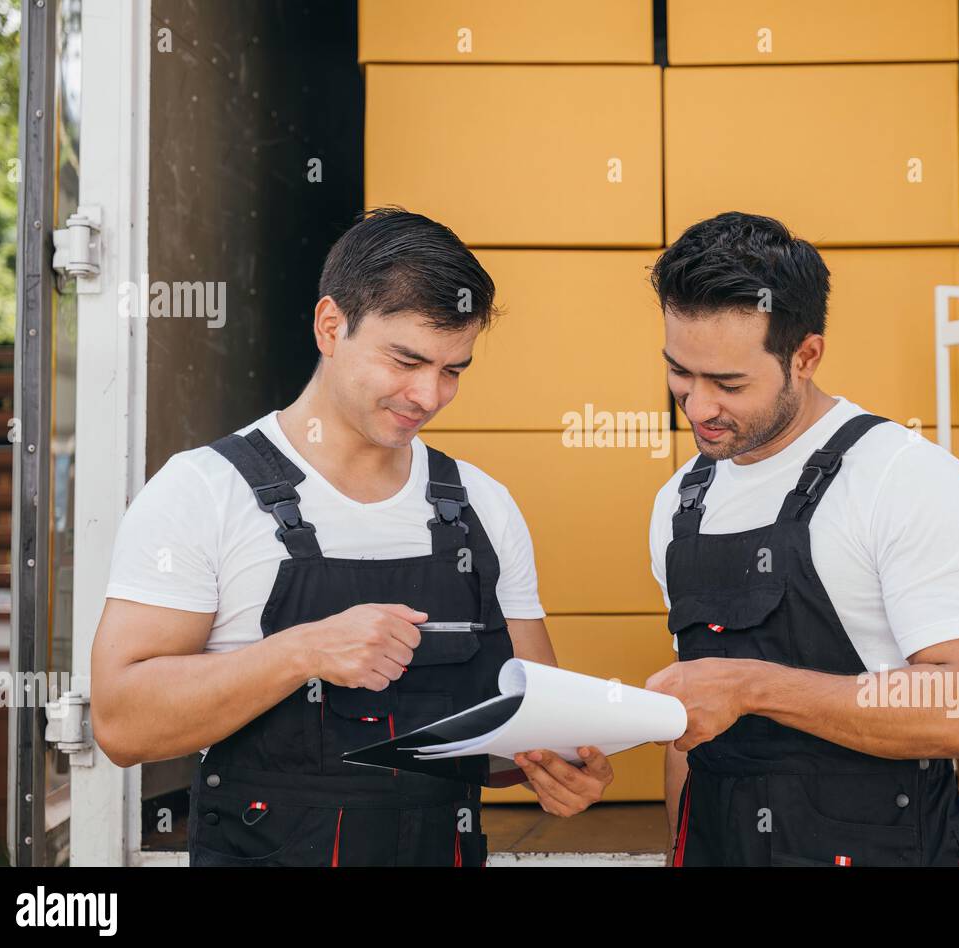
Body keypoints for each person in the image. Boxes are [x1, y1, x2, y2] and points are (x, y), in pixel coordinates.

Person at [91, 208, 612, 867]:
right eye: (406, 360)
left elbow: (523, 730)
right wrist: (300, 652)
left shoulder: (483, 506)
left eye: (454, 369)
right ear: (331, 326)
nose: (429, 394)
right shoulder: (202, 491)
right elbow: (119, 724)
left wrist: (560, 768)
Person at [645, 212, 959, 867]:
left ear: (805, 356)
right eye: (680, 372)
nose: (698, 408)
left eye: (728, 383)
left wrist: (755, 687)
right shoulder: (681, 501)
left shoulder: (903, 477)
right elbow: (690, 734)